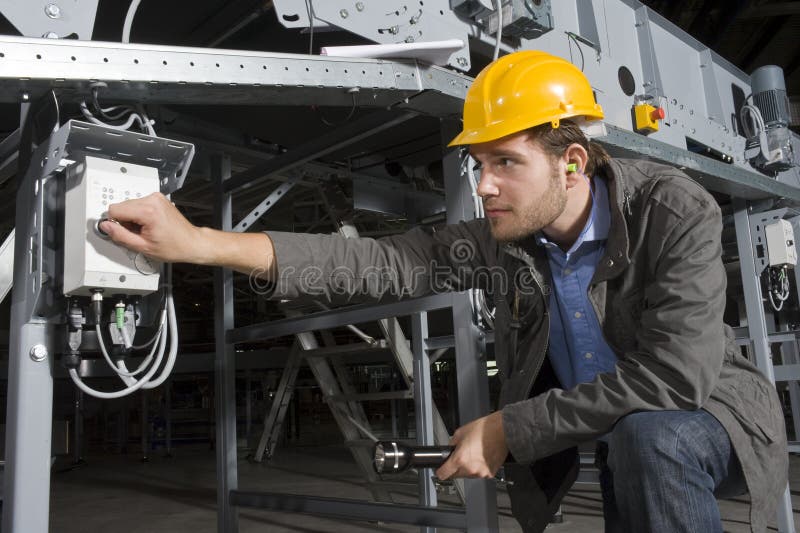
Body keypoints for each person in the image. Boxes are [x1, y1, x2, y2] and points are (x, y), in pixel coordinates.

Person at [99, 51, 788, 532]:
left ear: (572, 162)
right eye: (478, 163)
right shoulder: (503, 238)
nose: (483, 185)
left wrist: (508, 427)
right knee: (633, 445)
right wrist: (199, 243)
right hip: (615, 435)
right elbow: (380, 263)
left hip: (710, 420)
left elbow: (673, 380)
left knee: (650, 436)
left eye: (505, 162)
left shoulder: (673, 209)